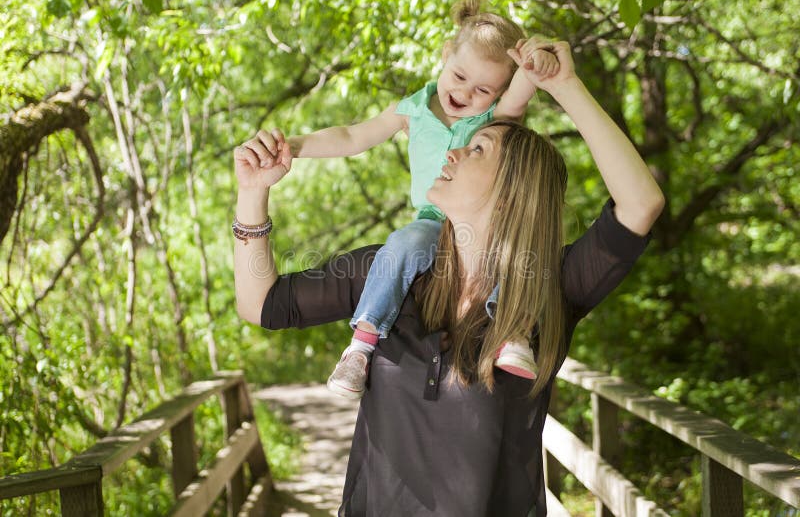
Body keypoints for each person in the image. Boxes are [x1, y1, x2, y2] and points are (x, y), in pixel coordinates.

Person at [233, 39, 664, 515]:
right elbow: (263, 305)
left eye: (477, 146)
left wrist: (565, 85)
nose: (454, 151)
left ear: (510, 193)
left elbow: (640, 205)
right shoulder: (392, 271)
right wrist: (253, 195)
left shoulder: (549, 288)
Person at [259, 0, 561, 399]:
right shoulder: (411, 110)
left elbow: (522, 89)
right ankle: (361, 347)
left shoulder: (493, 120)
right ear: (445, 54)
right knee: (400, 244)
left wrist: (533, 61)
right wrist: (295, 145)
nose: (465, 92)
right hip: (434, 219)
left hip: (483, 218)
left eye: (483, 88)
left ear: (498, 93)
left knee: (513, 248)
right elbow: (351, 136)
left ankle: (514, 331)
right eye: (458, 75)